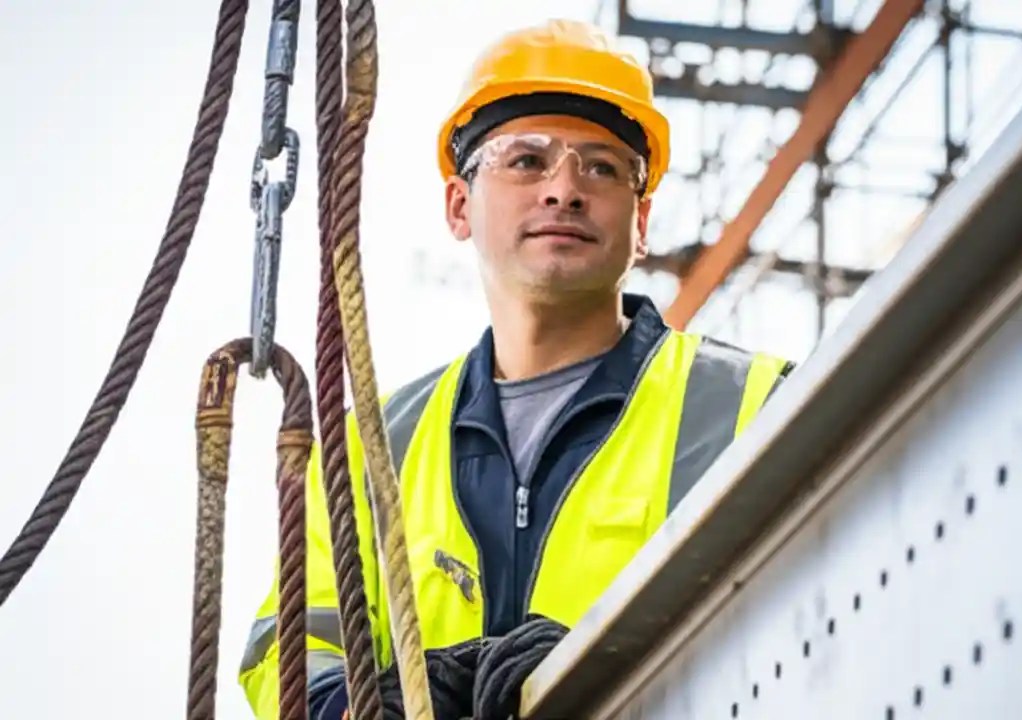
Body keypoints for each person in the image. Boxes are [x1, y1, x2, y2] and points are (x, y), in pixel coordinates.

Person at [238, 17, 794, 720]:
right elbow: (285, 646)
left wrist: (597, 674)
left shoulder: (755, 408)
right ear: (459, 204)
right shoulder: (370, 448)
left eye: (601, 166)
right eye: (526, 160)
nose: (563, 189)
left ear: (642, 219)